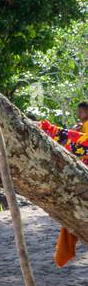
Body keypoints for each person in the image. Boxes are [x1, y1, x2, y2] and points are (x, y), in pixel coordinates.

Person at [39, 101, 88, 265]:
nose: (78, 114)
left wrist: (52, 130)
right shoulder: (83, 126)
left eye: (80, 111)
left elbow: (81, 142)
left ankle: (64, 252)